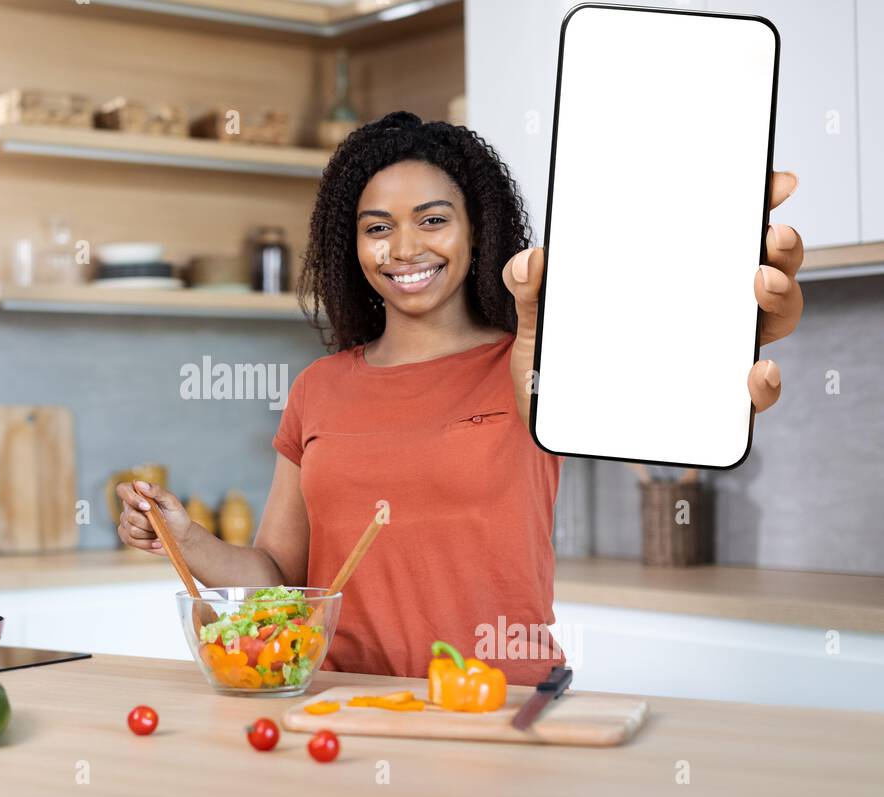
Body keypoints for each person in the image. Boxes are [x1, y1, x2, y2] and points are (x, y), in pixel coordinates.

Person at [118, 111, 804, 684]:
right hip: (347, 703)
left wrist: (712, 336)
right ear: (350, 245)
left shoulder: (533, 362)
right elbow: (279, 579)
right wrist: (190, 540)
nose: (404, 247)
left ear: (478, 231)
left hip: (501, 708)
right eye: (378, 227)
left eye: (432, 220)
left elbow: (653, 386)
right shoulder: (318, 389)